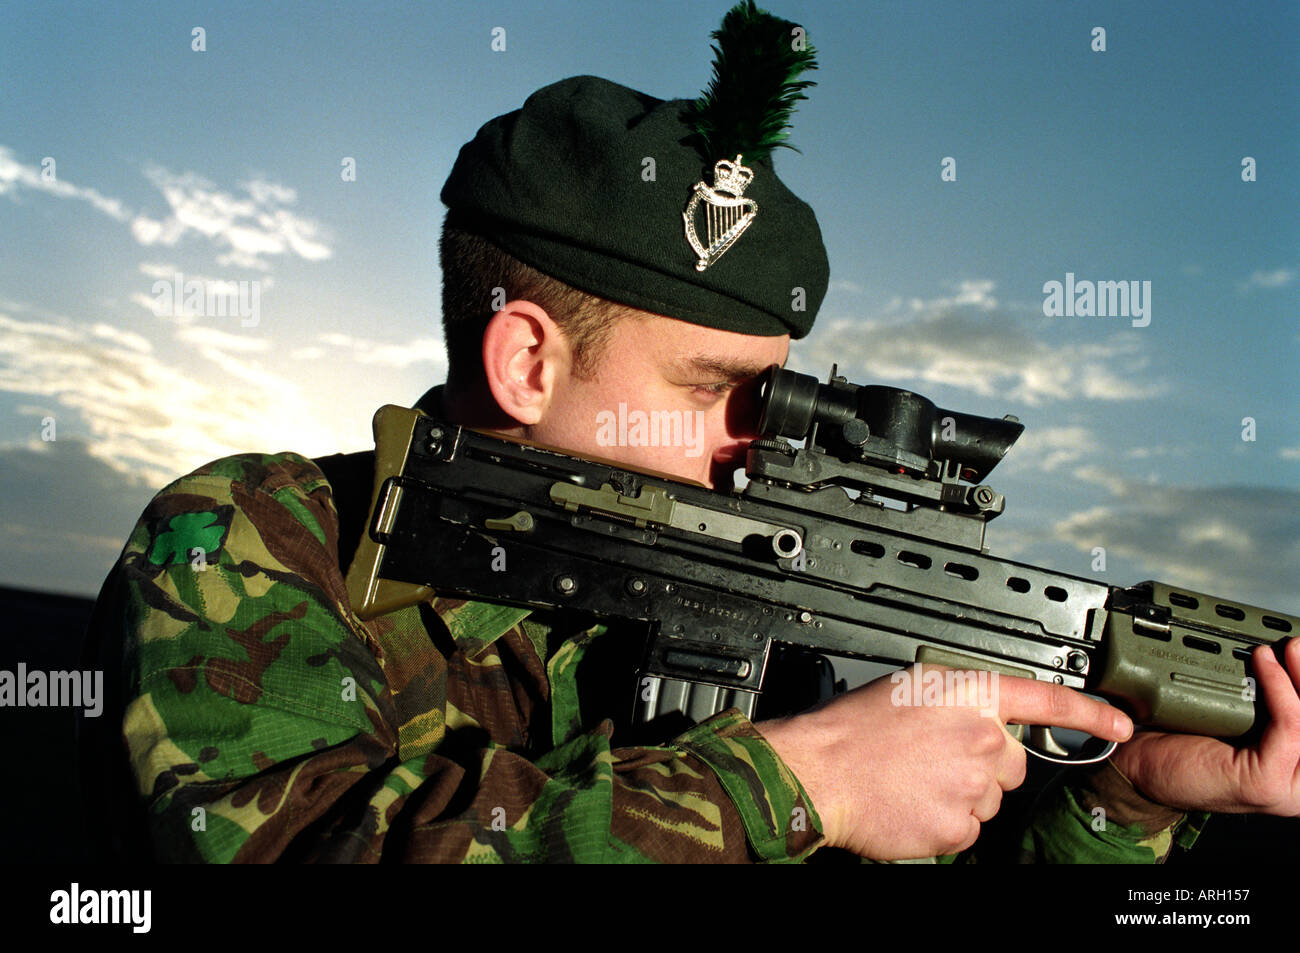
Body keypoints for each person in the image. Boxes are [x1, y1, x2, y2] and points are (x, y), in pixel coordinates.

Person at [78, 1, 1298, 864]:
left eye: (777, 395)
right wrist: (798, 781)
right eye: (719, 390)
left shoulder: (779, 626)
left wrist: (1126, 804)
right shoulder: (259, 539)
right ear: (526, 360)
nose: (761, 449)